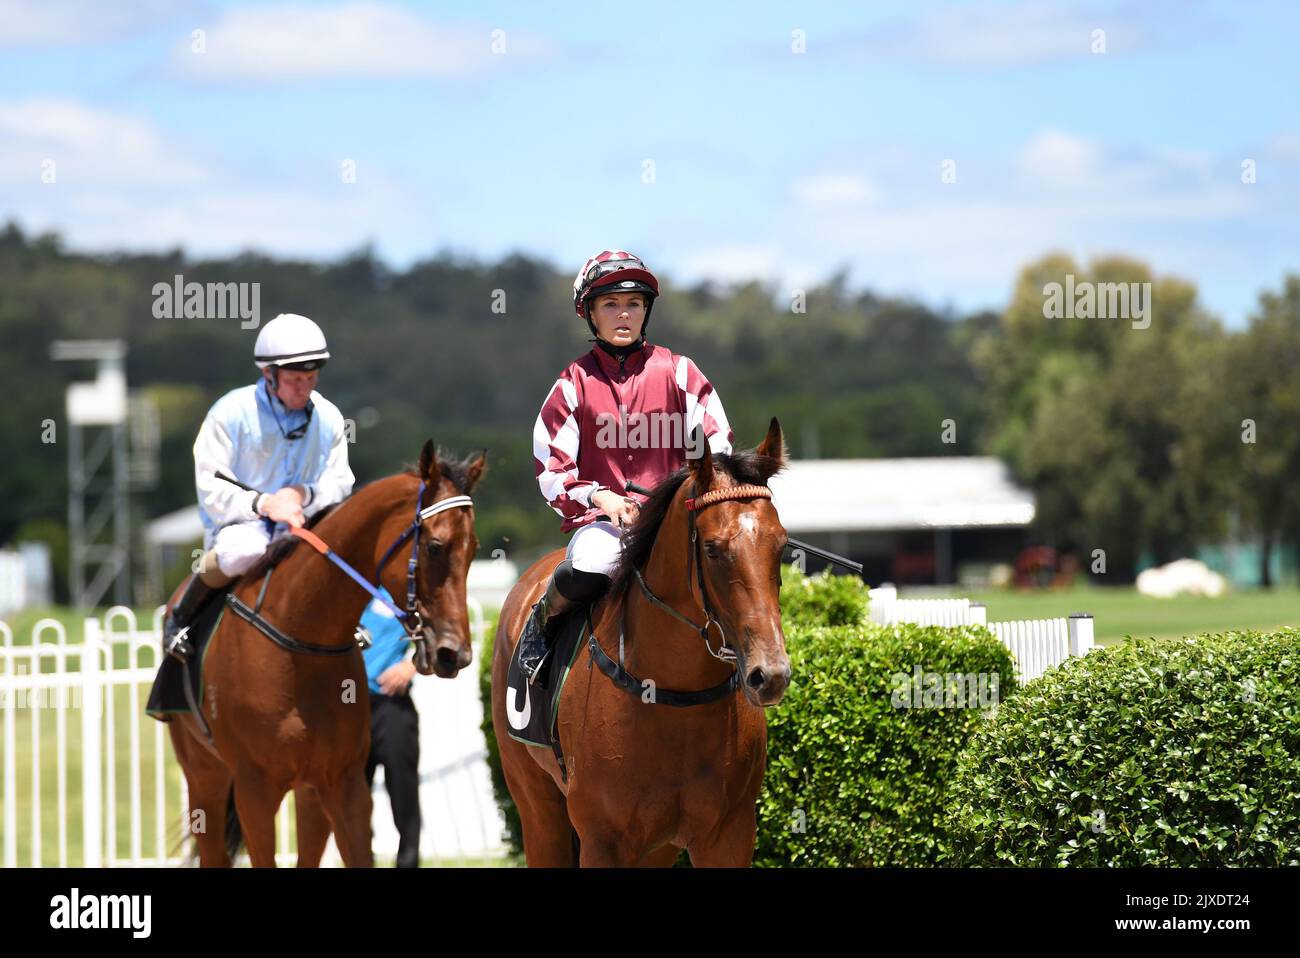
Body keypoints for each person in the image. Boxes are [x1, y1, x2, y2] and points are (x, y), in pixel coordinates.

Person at [519, 250, 734, 682]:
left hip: (676, 523)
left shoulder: (682, 373)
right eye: (610, 305)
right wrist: (600, 496)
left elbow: (718, 449)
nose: (624, 314)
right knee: (591, 566)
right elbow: (552, 471)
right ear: (591, 315)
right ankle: (542, 625)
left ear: (645, 311)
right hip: (606, 525)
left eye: (633, 304)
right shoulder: (572, 384)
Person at [162, 312, 355, 660]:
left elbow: (341, 481)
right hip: (243, 527)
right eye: (295, 379)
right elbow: (211, 485)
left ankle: (353, 624)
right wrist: (264, 504)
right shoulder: (229, 413)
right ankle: (180, 619)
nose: (305, 387)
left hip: (304, 526)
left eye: (311, 378)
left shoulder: (329, 417)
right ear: (269, 373)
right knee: (244, 551)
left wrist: (303, 494)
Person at [357, 587, 422, 868]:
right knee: (354, 802)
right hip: (348, 712)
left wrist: (412, 665)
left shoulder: (402, 593)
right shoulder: (350, 585)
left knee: (404, 797)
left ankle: (407, 862)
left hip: (392, 708)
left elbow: (441, 634)